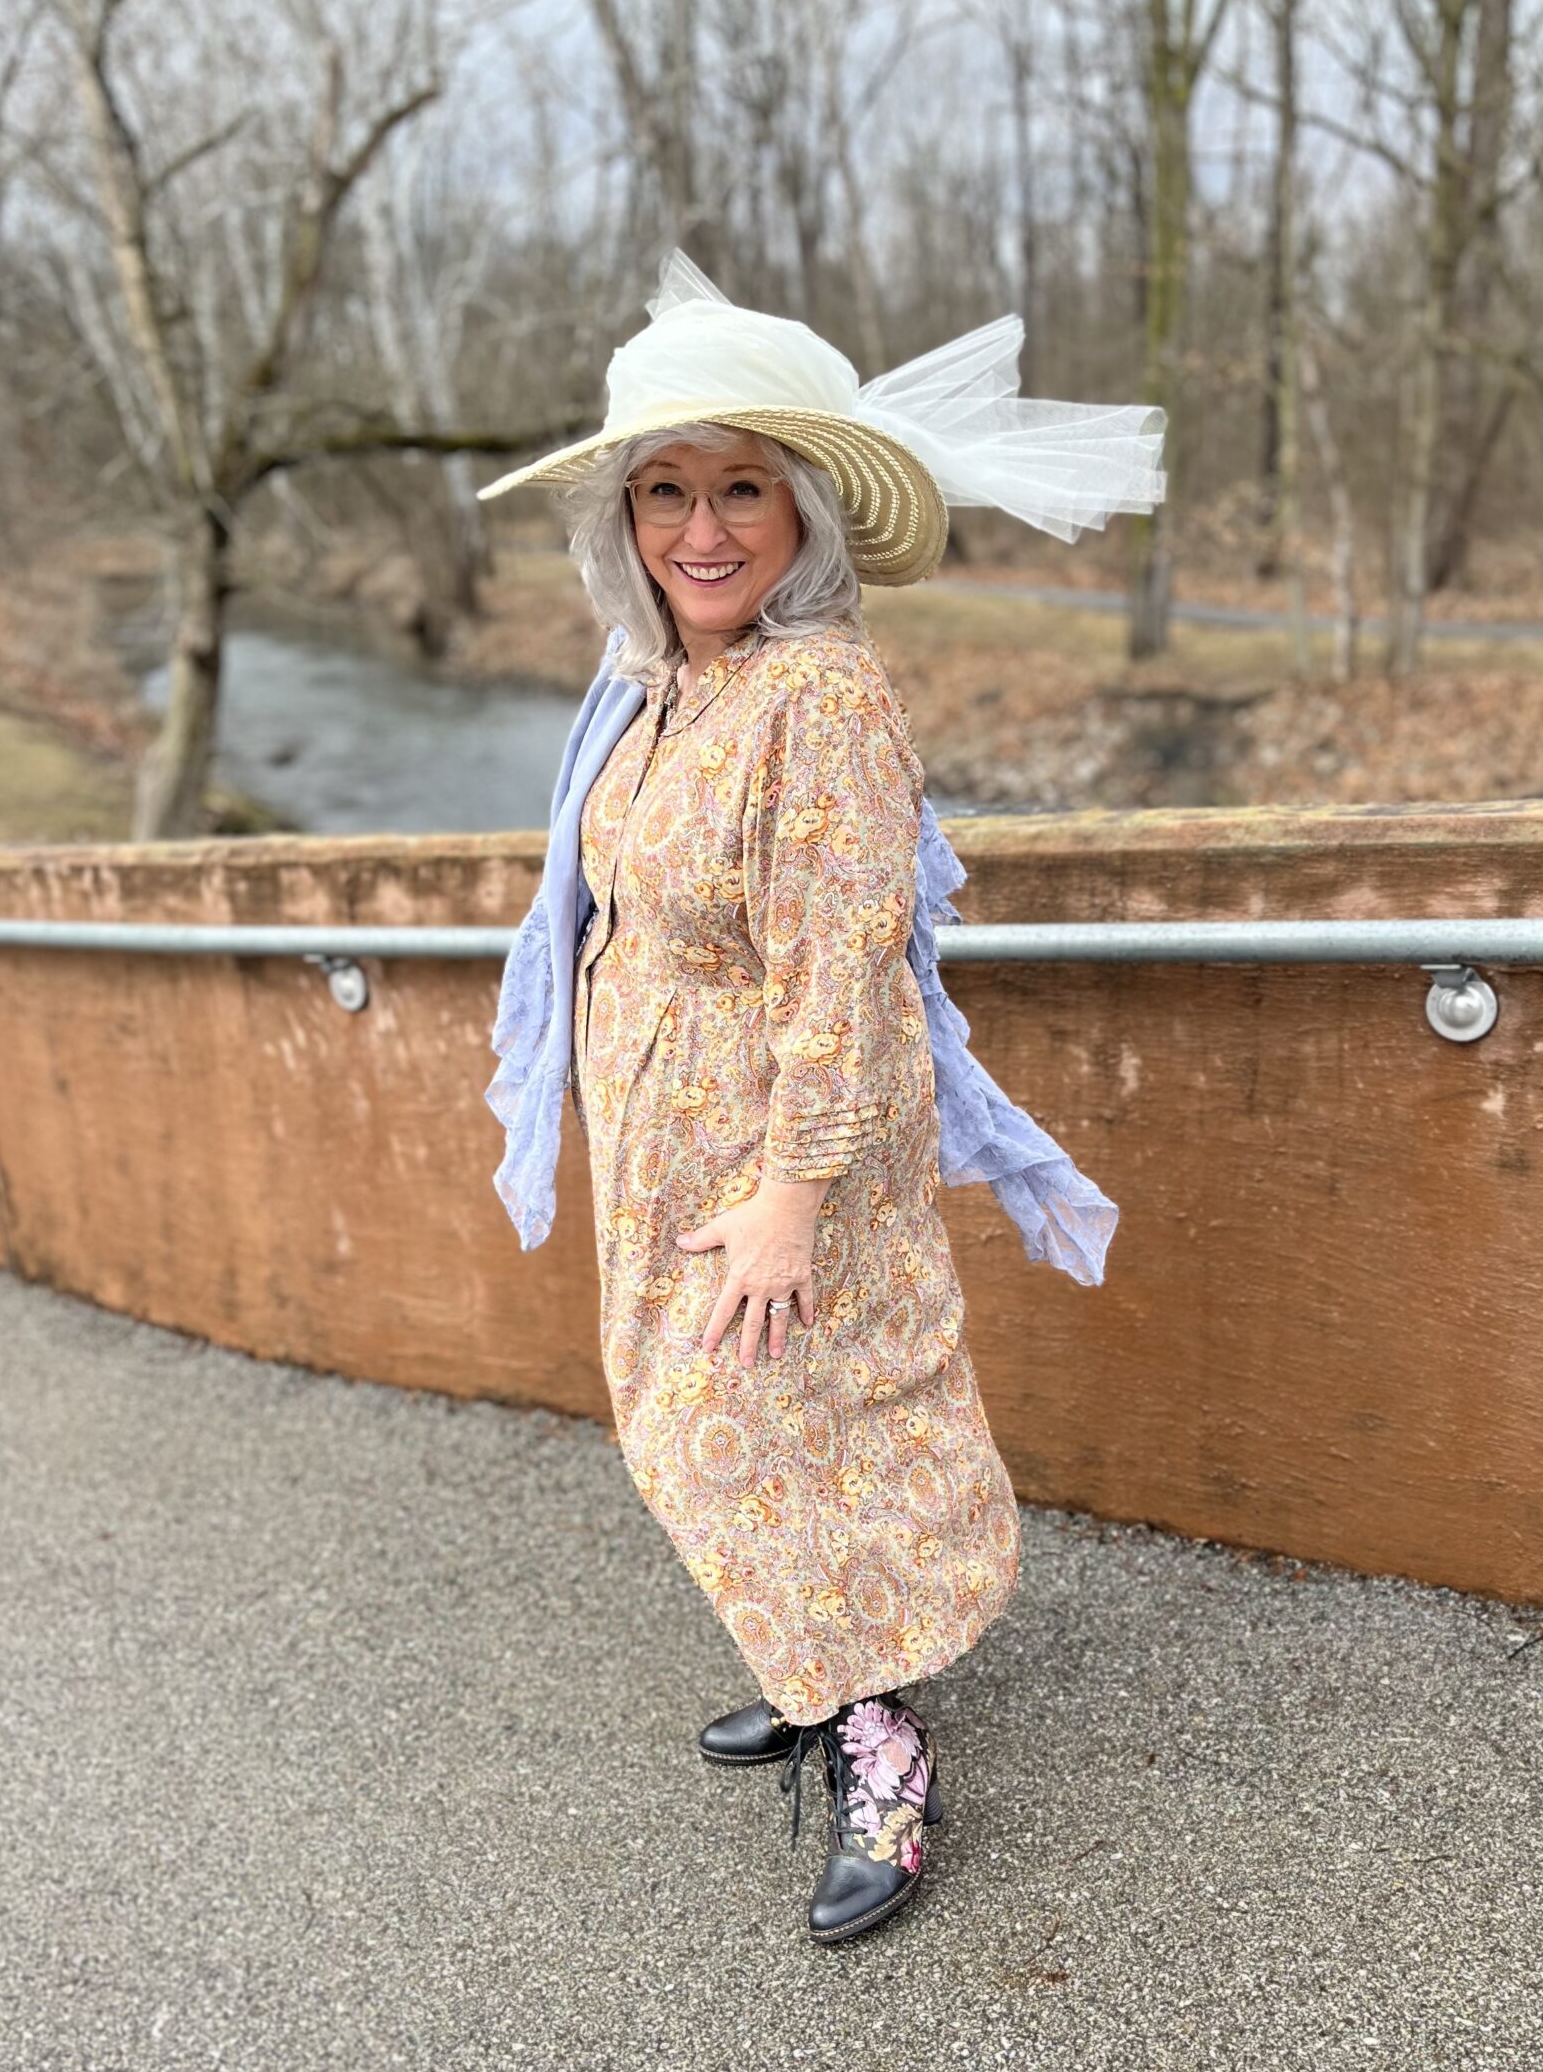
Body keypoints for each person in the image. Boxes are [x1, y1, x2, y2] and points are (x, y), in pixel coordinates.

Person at [481, 254, 1164, 1944]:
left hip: (786, 1142)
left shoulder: (820, 694)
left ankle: (881, 1746)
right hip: (664, 1139)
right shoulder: (662, 687)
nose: (701, 530)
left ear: (802, 513)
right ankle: (810, 1661)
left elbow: (846, 965)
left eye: (739, 490)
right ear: (623, 519)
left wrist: (793, 1191)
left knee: (788, 1431)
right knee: (711, 1430)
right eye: (665, 491)